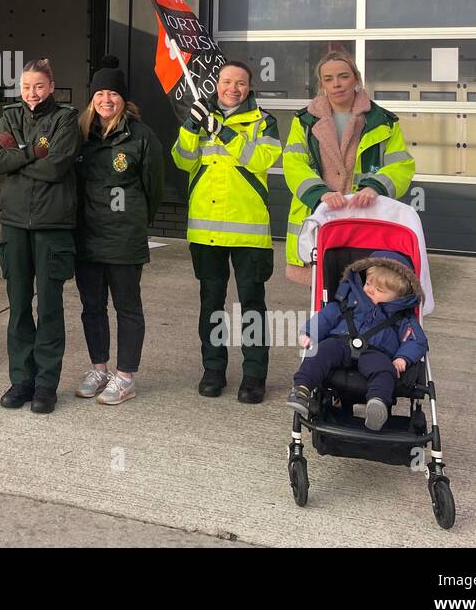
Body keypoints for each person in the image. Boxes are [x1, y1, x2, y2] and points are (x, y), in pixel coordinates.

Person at [172, 61, 282, 404]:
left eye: (241, 83)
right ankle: (213, 370)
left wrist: (224, 131)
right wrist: (193, 125)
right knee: (212, 304)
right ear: (216, 84)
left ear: (250, 87)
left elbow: (261, 159)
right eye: (226, 82)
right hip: (206, 231)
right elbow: (182, 160)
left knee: (252, 305)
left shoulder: (264, 121)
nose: (233, 88)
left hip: (248, 232)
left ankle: (254, 377)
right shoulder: (200, 117)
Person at [0, 58, 79, 414]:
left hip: (51, 226)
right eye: (26, 87)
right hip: (14, 224)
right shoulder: (9, 116)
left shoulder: (66, 119)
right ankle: (21, 380)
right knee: (19, 307)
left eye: (38, 86)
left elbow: (57, 166)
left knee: (50, 308)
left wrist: (19, 159)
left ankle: (46, 385)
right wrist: (30, 152)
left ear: (51, 87)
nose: (32, 93)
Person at [72, 57, 163, 406]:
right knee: (91, 306)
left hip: (123, 238)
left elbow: (153, 189)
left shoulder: (141, 136)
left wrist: (134, 222)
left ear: (124, 99)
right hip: (87, 236)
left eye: (113, 93)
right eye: (99, 93)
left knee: (127, 308)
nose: (106, 99)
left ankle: (125, 377)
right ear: (92, 97)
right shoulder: (81, 133)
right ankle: (99, 369)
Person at [283, 51, 416, 286]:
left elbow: (401, 165)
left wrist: (374, 188)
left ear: (356, 78)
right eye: (328, 78)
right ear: (322, 84)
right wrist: (320, 194)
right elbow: (293, 163)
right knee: (322, 297)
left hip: (365, 216)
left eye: (343, 76)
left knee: (367, 290)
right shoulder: (304, 121)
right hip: (322, 216)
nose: (336, 84)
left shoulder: (382, 121)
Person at [286, 252, 428, 431]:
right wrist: (309, 333)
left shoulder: (401, 317)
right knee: (320, 352)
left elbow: (416, 341)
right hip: (340, 342)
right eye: (368, 283)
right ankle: (302, 389)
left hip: (376, 352)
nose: (369, 290)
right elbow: (325, 318)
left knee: (385, 370)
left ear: (397, 297)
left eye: (379, 290)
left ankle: (377, 404)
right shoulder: (348, 302)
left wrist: (402, 358)